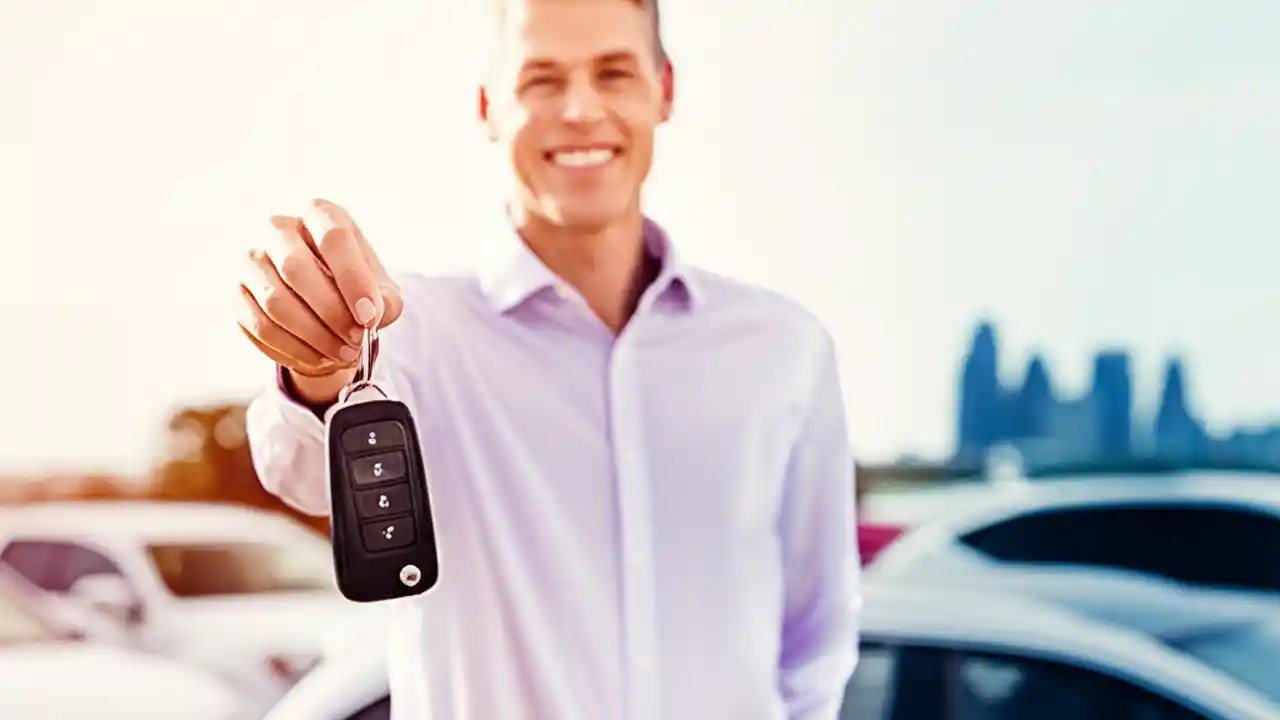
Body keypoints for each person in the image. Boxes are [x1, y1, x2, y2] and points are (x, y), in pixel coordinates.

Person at [237, 0, 861, 717]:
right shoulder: (405, 332)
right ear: (487, 106)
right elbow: (301, 468)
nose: (579, 108)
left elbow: (817, 637)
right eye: (541, 79)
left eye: (614, 72)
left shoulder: (785, 348)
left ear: (665, 89)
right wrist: (318, 363)